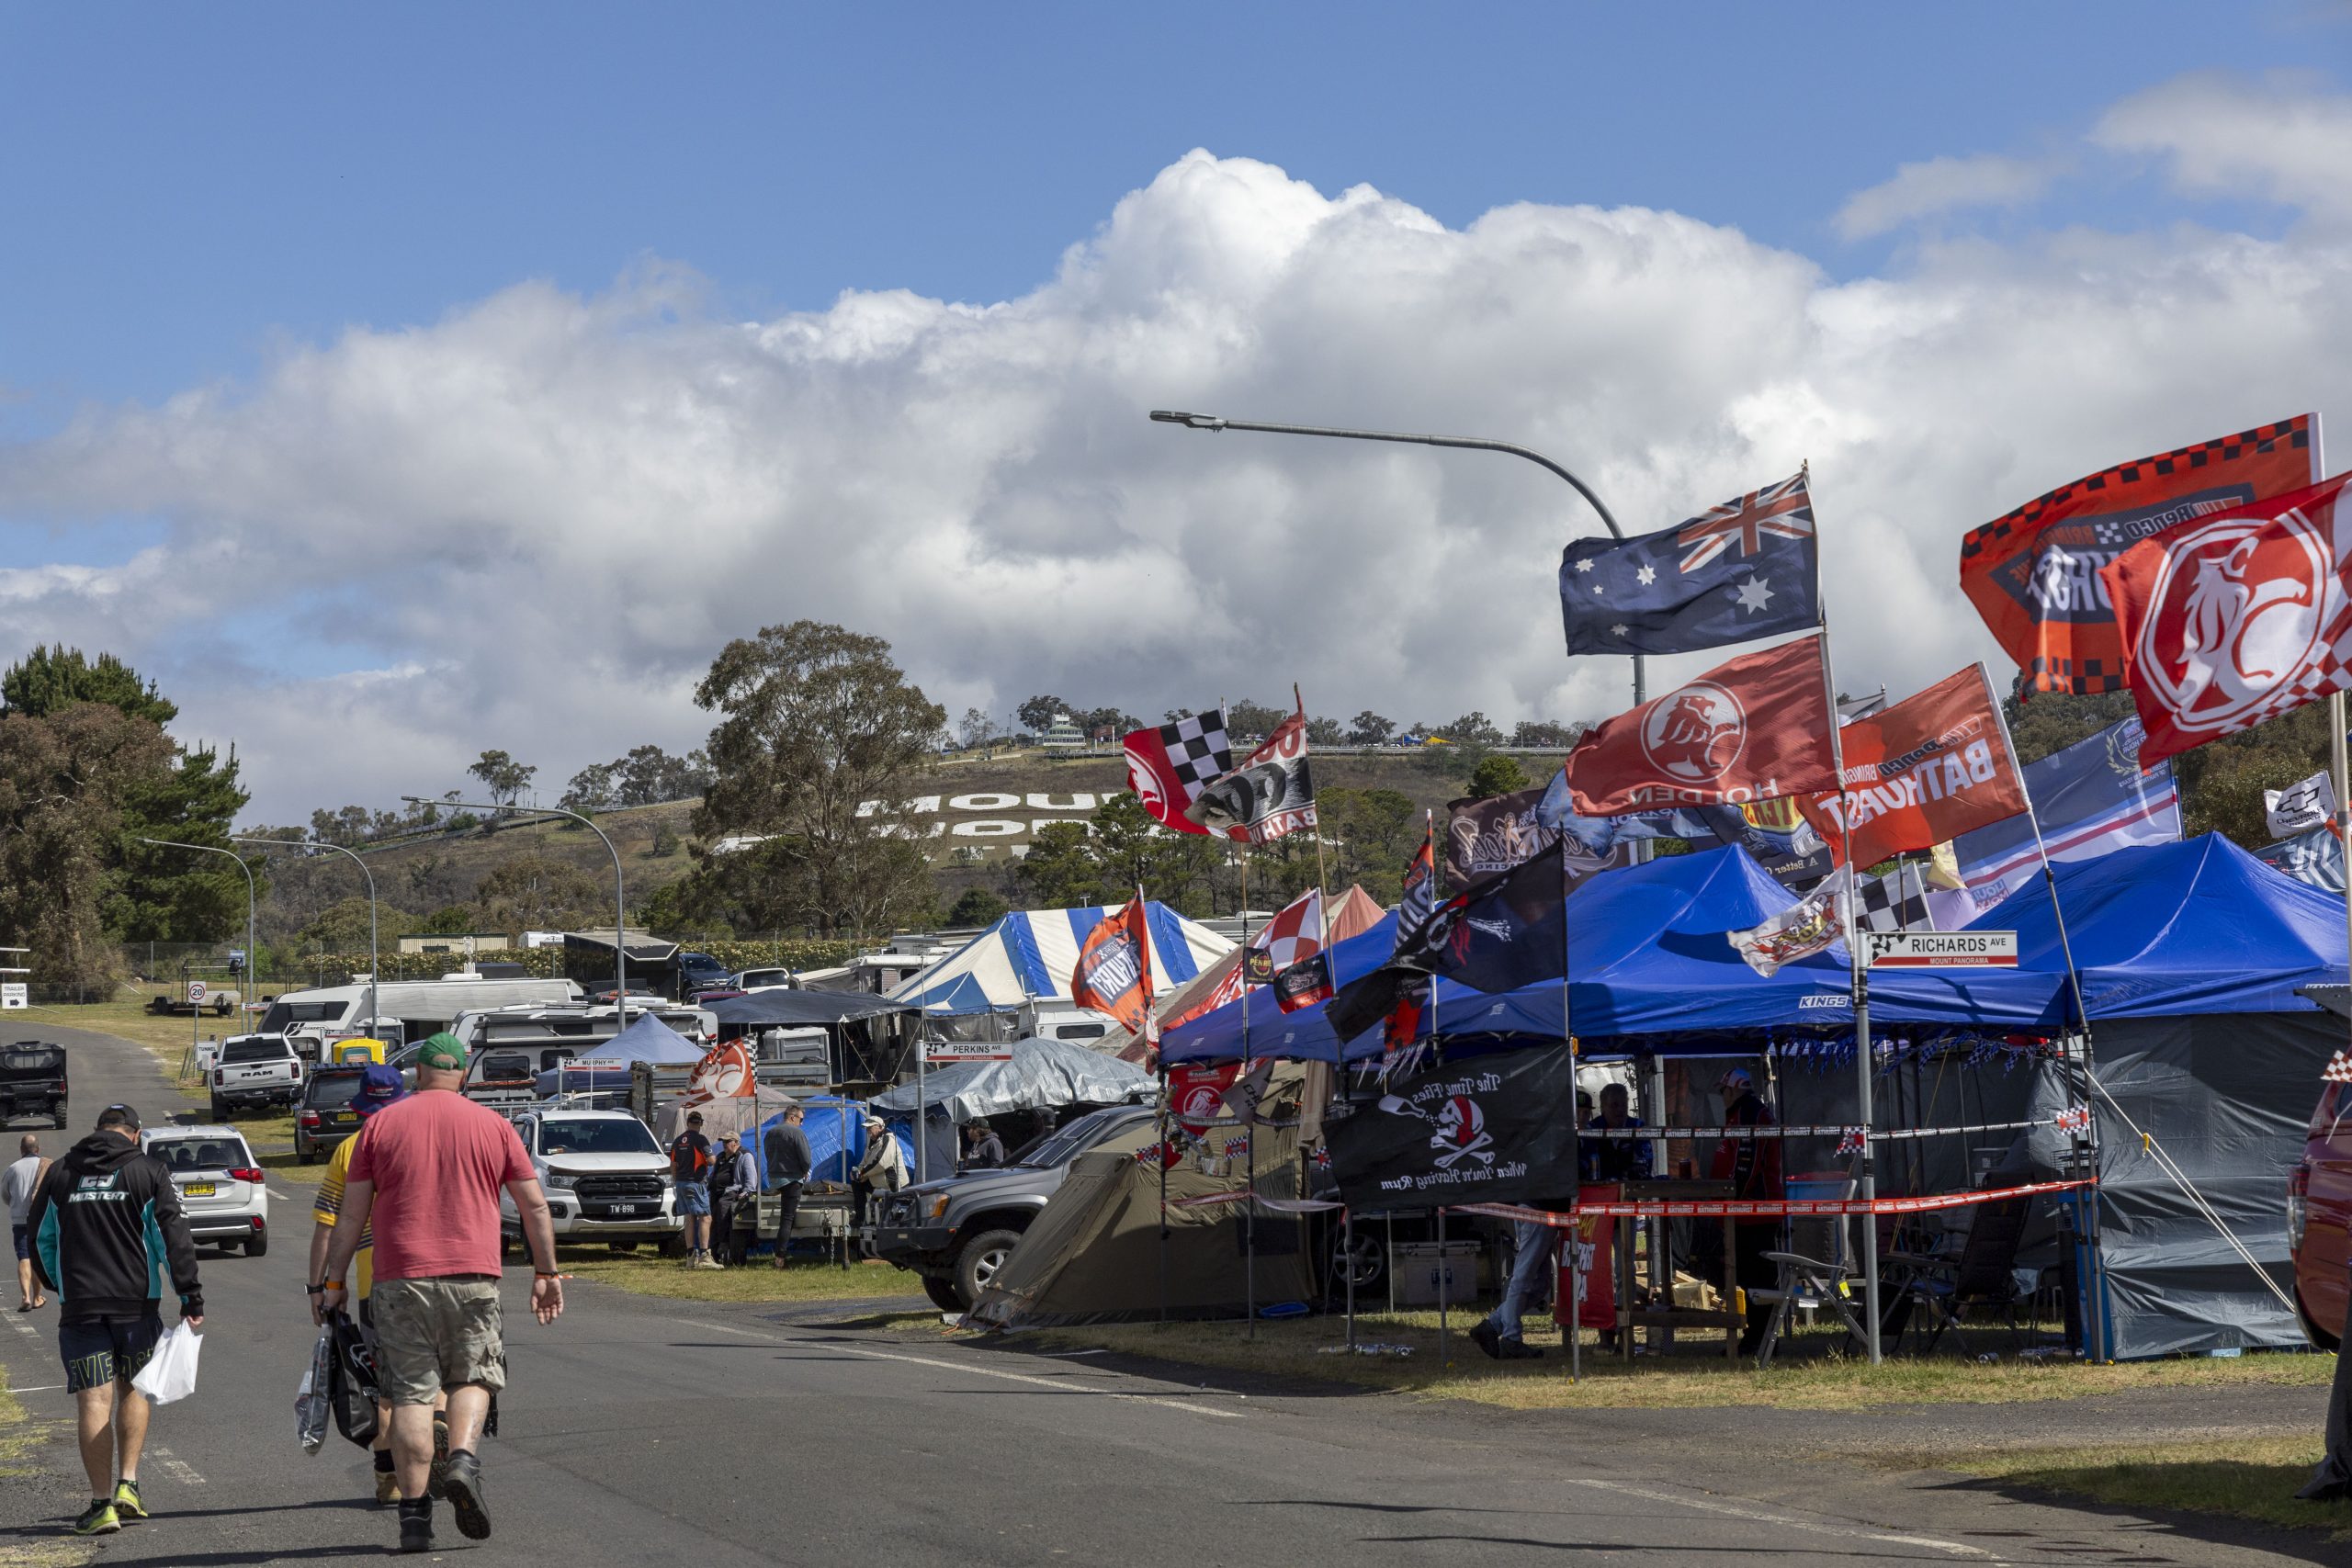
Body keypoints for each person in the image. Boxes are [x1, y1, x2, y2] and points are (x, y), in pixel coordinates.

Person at [317, 1034, 563, 1555]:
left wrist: (332, 1283)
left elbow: (350, 1216)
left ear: (420, 1074)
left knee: (408, 1395)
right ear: (462, 1076)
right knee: (473, 1375)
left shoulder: (380, 1126)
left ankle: (413, 1519)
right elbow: (536, 1207)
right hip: (474, 1276)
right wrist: (547, 1272)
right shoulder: (495, 1126)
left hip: (399, 1279)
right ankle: (464, 1460)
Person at [25, 1104, 202, 1538]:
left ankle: (101, 1504)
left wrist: (56, 1284)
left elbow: (40, 1236)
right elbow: (171, 1236)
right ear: (136, 1135)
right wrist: (189, 1294)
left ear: (97, 1130)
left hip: (80, 1306)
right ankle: (129, 1484)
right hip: (136, 1305)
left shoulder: (62, 1173)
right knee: (135, 1389)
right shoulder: (148, 1170)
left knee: (93, 1402)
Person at [309, 1065, 447, 1506]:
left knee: (386, 1391)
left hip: (379, 1287)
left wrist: (323, 1286)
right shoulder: (433, 1138)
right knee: (439, 1376)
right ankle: (441, 1424)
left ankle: (390, 1480)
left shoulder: (351, 1149)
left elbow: (329, 1227)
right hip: (445, 1277)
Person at [1708, 1066, 1784, 1357]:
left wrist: (1732, 1196)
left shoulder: (1749, 1114)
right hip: (1748, 1210)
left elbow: (1747, 1163)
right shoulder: (1745, 1113)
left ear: (1733, 1090)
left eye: (1723, 1091)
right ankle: (1758, 1337)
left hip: (1754, 1211)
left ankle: (1762, 1340)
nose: (1722, 1097)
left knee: (1758, 1279)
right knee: (1752, 1277)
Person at [763, 1104, 811, 1270]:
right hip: (791, 1179)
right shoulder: (797, 1133)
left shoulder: (770, 1133)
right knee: (787, 1219)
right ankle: (780, 1259)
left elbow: (768, 1154)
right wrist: (805, 1171)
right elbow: (805, 1158)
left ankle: (780, 1256)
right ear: (792, 1117)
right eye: (801, 1119)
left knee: (785, 1218)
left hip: (774, 1179)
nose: (802, 1123)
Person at [667, 1111, 717, 1270]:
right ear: (700, 1123)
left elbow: (673, 1165)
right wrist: (716, 1158)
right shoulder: (700, 1140)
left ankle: (690, 1256)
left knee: (689, 1218)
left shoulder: (677, 1141)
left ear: (688, 1123)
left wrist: (676, 1181)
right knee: (705, 1217)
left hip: (681, 1183)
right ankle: (704, 1255)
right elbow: (710, 1160)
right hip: (695, 1182)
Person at [6, 1134, 51, 1312]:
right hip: (41, 1218)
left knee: (24, 1257)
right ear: (38, 1150)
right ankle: (37, 1297)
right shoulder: (48, 1165)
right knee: (37, 1256)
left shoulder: (13, 1168)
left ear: (21, 1150)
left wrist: (16, 1205)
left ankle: (25, 1296)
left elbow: (5, 1194)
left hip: (20, 1219)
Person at [852, 1114, 908, 1227]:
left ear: (880, 1127)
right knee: (856, 1182)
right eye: (867, 1129)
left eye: (870, 1128)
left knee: (895, 1218)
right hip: (879, 1181)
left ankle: (865, 1218)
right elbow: (864, 1162)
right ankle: (861, 1218)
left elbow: (881, 1163)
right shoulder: (871, 1144)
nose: (868, 1131)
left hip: (893, 1183)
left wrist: (863, 1173)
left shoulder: (889, 1139)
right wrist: (857, 1172)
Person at [709, 1131, 750, 1267]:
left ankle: (724, 1241)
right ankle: (713, 1254)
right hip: (716, 1193)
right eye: (723, 1142)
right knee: (711, 1218)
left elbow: (751, 1181)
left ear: (736, 1143)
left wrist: (746, 1192)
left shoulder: (744, 1156)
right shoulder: (720, 1157)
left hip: (734, 1192)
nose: (724, 1145)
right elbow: (713, 1176)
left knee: (722, 1206)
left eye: (727, 1142)